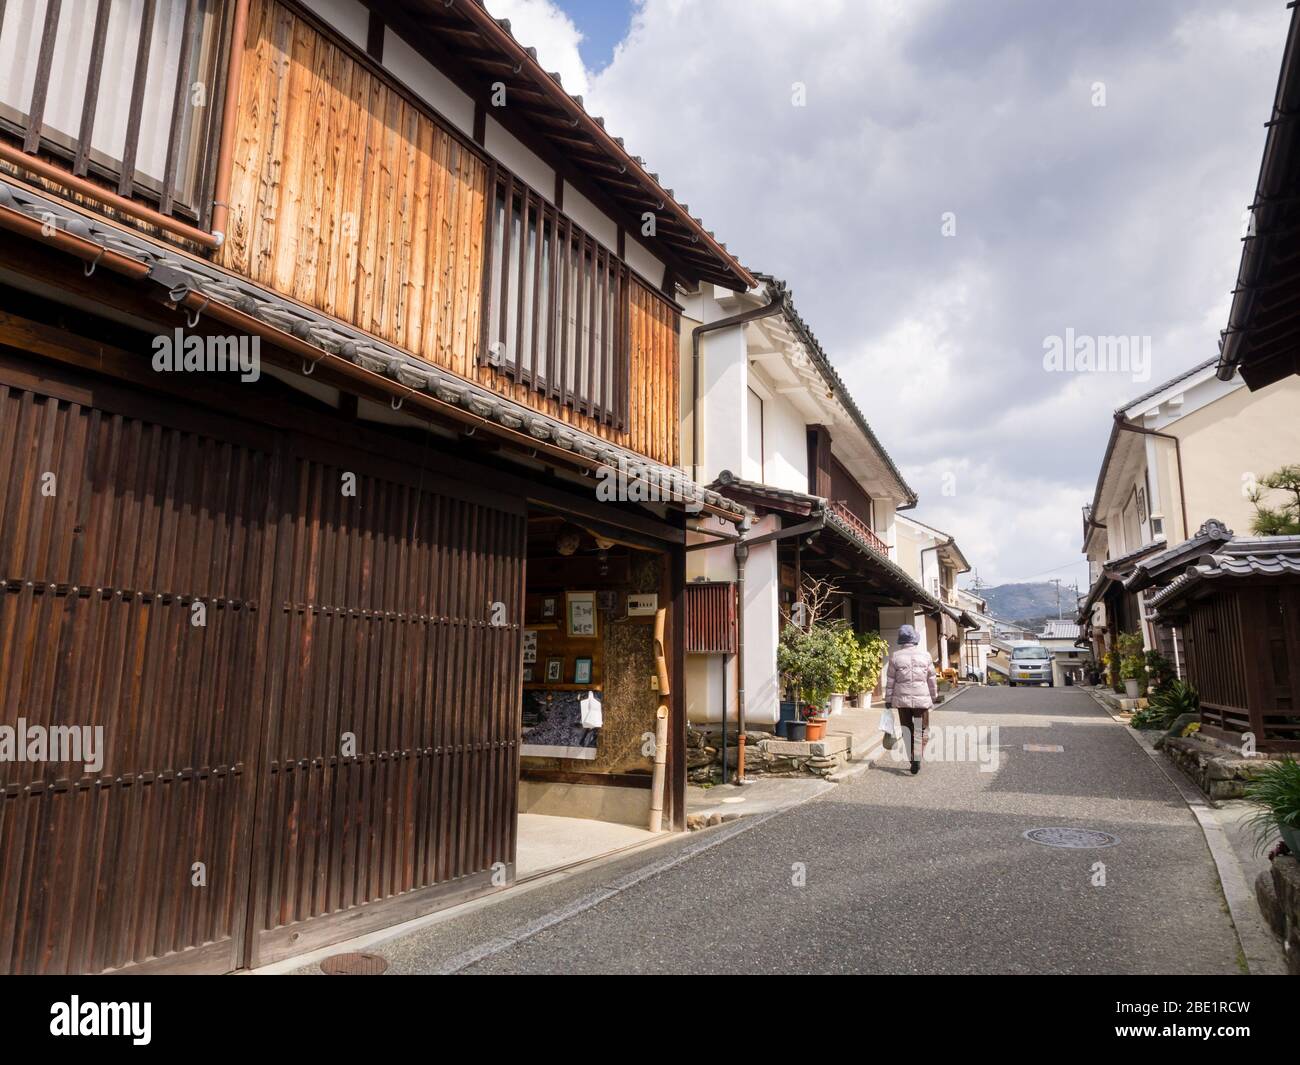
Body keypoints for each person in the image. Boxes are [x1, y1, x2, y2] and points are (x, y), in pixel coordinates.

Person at [883, 623, 937, 774]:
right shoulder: (925, 655)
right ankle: (917, 756)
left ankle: (912, 759)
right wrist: (933, 697)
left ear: (901, 640)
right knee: (921, 729)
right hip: (921, 701)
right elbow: (931, 679)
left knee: (907, 729)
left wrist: (888, 700)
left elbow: (890, 681)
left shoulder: (895, 657)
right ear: (915, 640)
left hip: (902, 701)